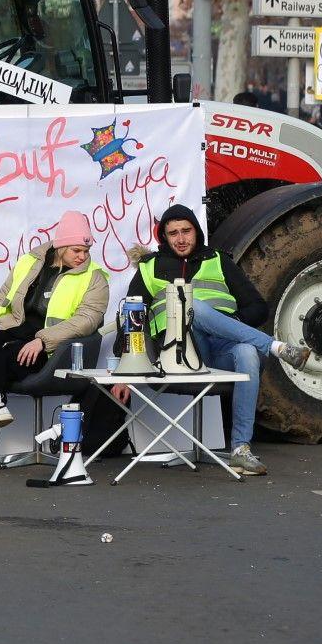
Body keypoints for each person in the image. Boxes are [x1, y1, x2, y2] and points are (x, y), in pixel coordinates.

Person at [127, 203, 311, 477]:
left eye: (186, 231)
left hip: (221, 350)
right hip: (180, 351)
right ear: (163, 237)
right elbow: (131, 317)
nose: (181, 239)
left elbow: (258, 307)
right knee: (194, 306)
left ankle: (240, 449)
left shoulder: (218, 260)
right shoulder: (149, 267)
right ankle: (277, 347)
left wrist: (231, 324)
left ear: (196, 231)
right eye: (173, 233)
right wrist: (124, 363)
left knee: (248, 351)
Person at [0, 213, 108, 472]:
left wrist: (43, 340)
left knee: (2, 357)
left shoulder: (95, 277)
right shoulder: (30, 262)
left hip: (52, 349)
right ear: (60, 246)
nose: (82, 256)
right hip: (14, 333)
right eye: (76, 250)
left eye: (86, 250)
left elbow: (87, 320)